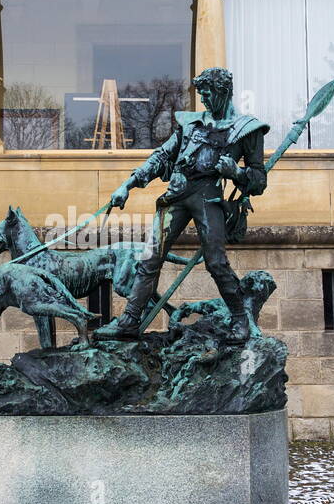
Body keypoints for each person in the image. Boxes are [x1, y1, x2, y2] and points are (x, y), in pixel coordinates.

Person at [94, 67, 268, 345]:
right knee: (149, 259)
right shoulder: (190, 123)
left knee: (216, 262)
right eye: (202, 95)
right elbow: (162, 156)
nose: (205, 100)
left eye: (209, 94)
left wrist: (236, 173)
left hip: (208, 199)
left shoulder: (248, 129)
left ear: (223, 92)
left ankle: (240, 319)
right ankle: (129, 320)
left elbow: (258, 180)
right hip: (176, 196)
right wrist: (127, 185)